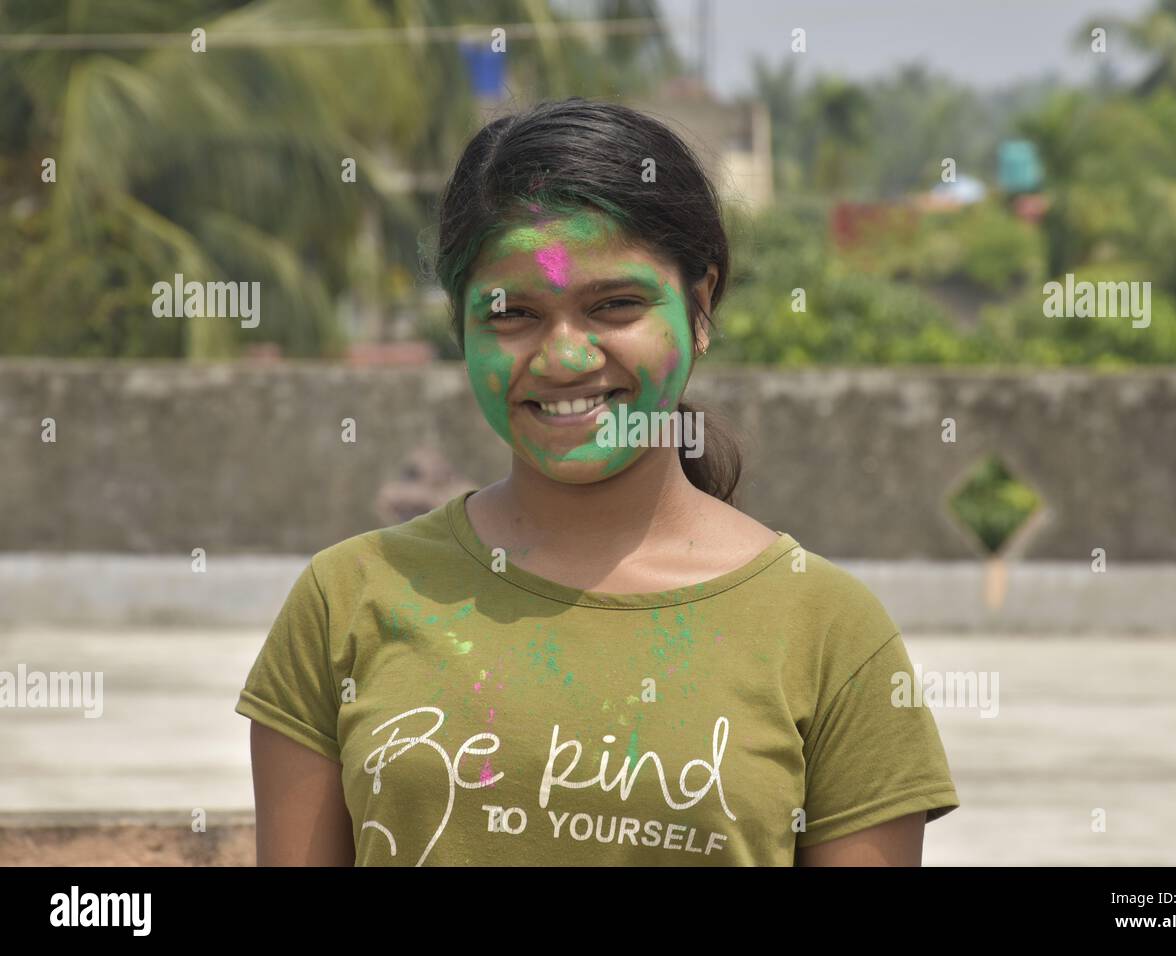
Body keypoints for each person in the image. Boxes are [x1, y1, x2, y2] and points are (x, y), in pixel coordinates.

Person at [235, 97, 959, 866]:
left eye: (615, 305)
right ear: (461, 328)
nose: (566, 358)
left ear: (701, 306)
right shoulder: (347, 601)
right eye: (512, 313)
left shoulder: (830, 633)